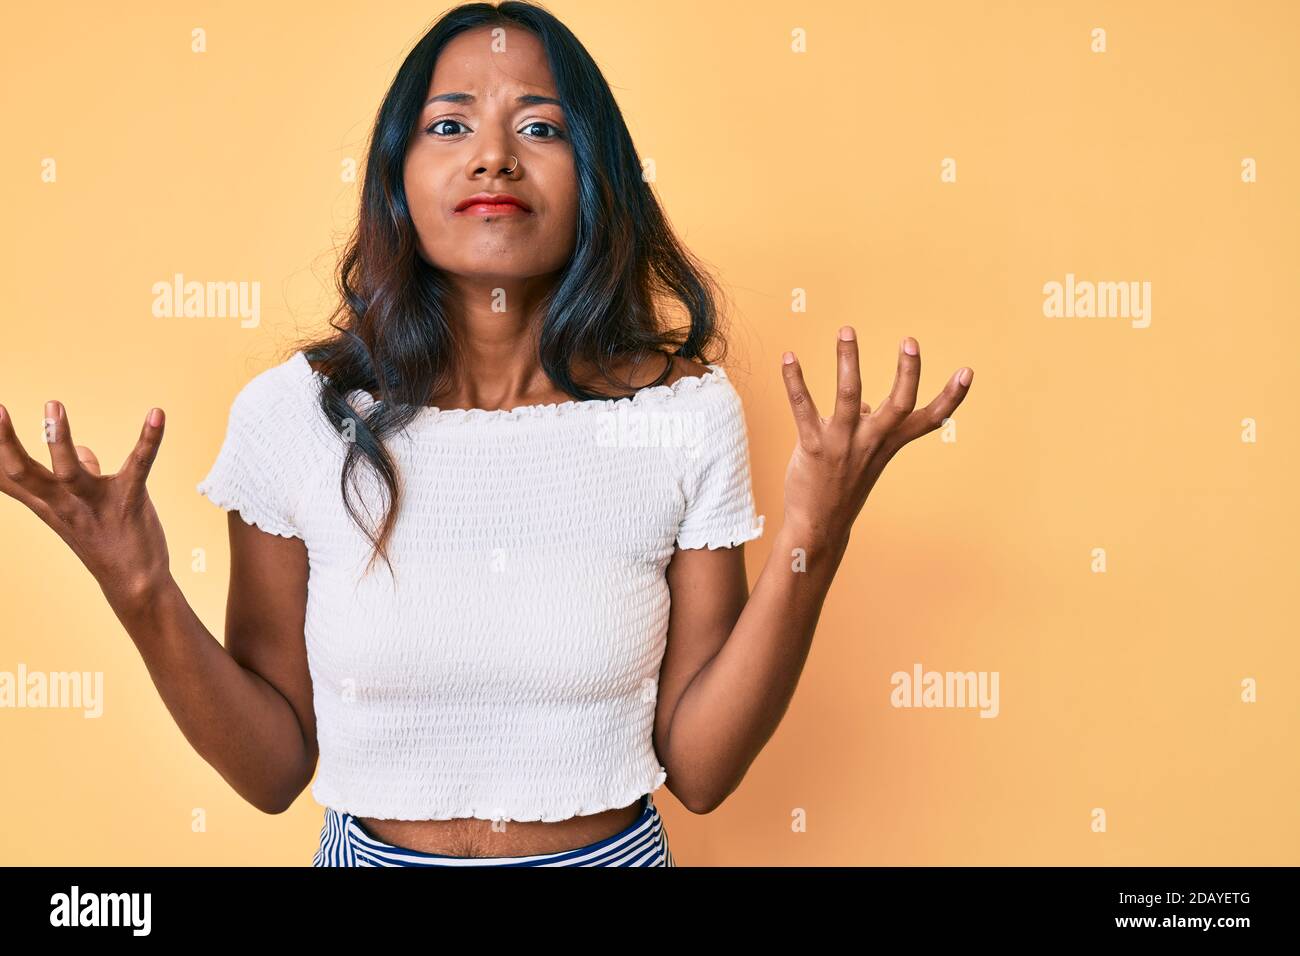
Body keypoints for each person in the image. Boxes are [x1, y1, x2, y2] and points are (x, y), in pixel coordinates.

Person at [0, 1, 972, 867]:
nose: (493, 155)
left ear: (598, 178)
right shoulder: (292, 414)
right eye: (450, 124)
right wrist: (137, 586)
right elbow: (272, 767)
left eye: (540, 126)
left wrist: (814, 537)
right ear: (397, 177)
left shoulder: (682, 415)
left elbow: (702, 767)